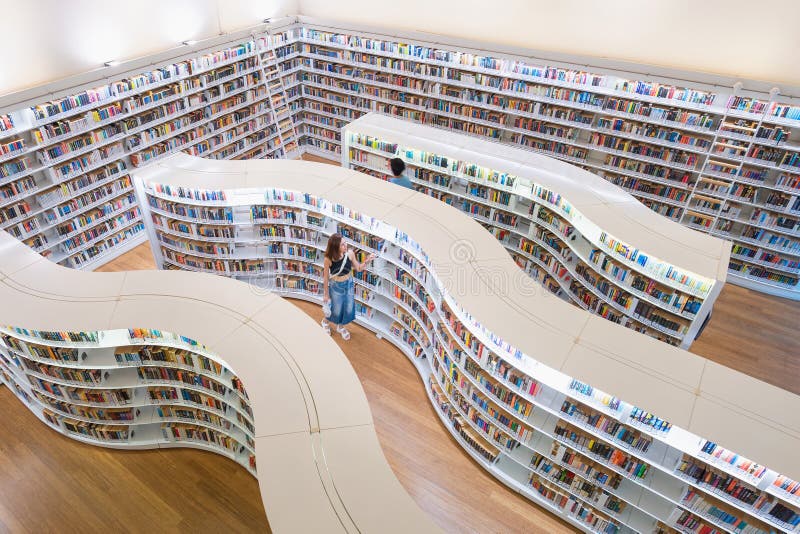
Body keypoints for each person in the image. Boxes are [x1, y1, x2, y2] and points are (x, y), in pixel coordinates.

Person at [321, 233, 376, 340]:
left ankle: (340, 326)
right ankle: (325, 321)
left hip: (349, 284)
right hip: (336, 286)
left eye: (345, 242)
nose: (345, 245)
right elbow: (326, 278)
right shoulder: (328, 259)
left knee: (348, 308)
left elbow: (359, 268)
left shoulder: (350, 254)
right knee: (336, 309)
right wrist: (326, 294)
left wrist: (367, 260)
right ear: (335, 247)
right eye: (342, 244)